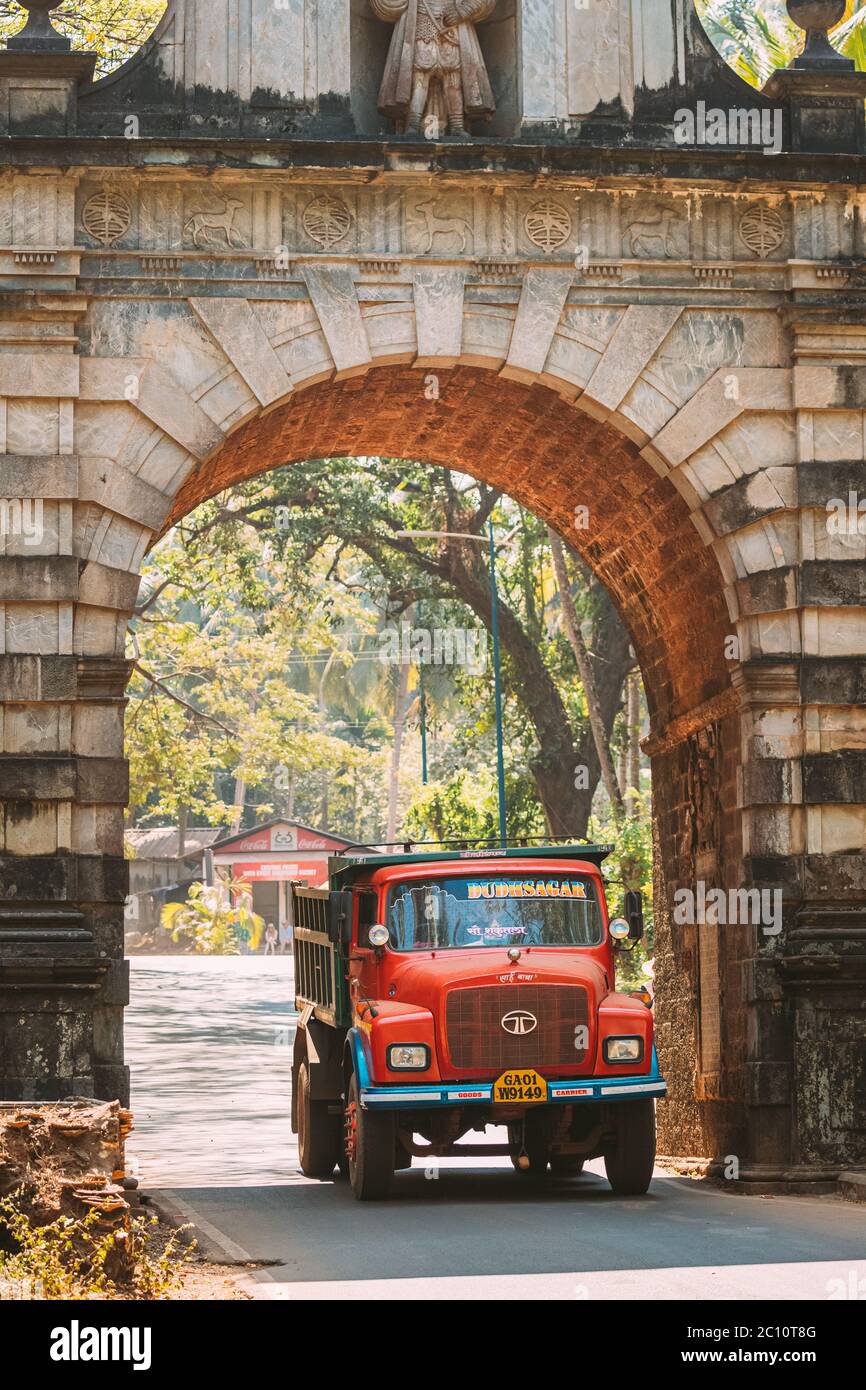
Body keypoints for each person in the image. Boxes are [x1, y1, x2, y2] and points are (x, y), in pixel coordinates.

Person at [370, 0, 496, 139]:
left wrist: (463, 11)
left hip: (452, 26)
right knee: (420, 77)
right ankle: (413, 124)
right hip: (422, 20)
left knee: (453, 78)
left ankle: (457, 125)